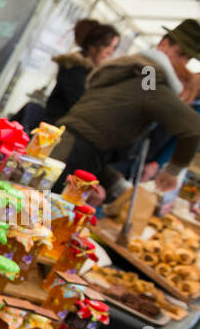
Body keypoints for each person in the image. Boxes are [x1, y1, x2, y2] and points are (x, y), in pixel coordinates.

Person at [49, 19, 200, 204]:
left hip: (69, 145)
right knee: (31, 216)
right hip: (75, 152)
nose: (182, 63)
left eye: (187, 59)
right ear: (163, 44)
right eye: (180, 54)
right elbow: (193, 128)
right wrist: (173, 171)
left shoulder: (139, 70)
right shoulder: (149, 78)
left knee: (32, 213)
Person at [45, 19, 120, 121]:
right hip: (56, 127)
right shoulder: (74, 68)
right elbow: (80, 105)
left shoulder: (91, 72)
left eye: (114, 47)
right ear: (93, 45)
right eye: (107, 45)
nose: (110, 52)